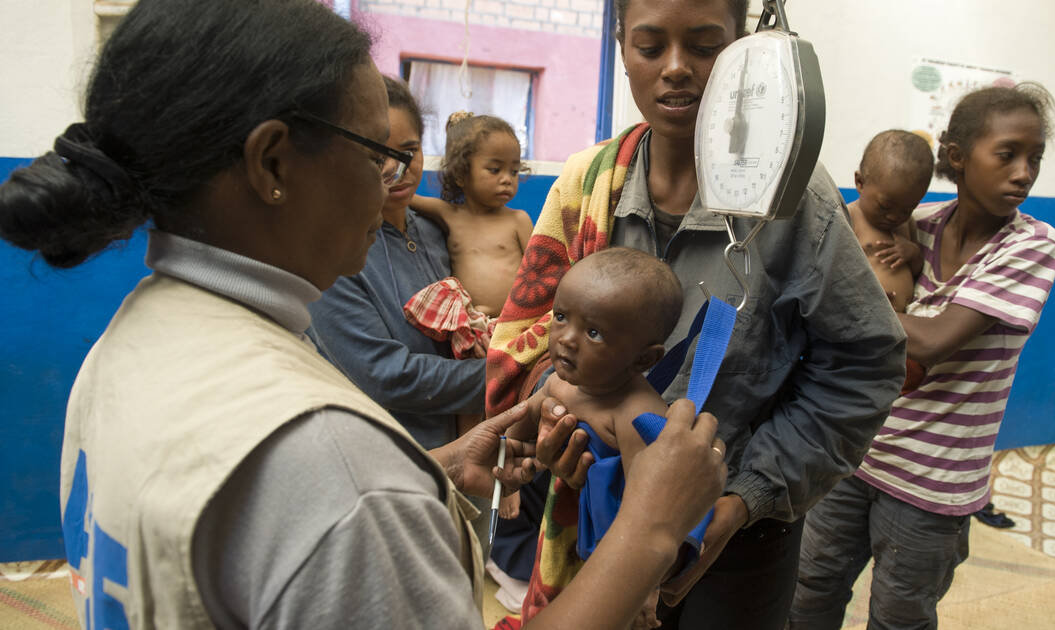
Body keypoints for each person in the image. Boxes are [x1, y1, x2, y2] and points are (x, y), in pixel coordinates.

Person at [0, 1, 727, 628]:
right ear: (274, 164)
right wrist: (650, 529)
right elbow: (327, 499)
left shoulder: (131, 342)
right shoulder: (336, 474)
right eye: (376, 148)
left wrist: (424, 473)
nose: (396, 178)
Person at [487, 0, 908, 628]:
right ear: (622, 44)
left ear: (741, 47)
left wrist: (742, 499)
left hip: (737, 547)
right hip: (598, 527)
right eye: (651, 46)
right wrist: (561, 431)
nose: (677, 68)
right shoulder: (584, 185)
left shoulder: (792, 196)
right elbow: (522, 346)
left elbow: (861, 367)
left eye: (706, 46)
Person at [790, 82, 1055, 630]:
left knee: (898, 615)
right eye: (1007, 154)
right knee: (809, 594)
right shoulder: (914, 225)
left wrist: (832, 299)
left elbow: (937, 340)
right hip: (854, 453)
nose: (1024, 173)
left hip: (931, 484)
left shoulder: (1032, 245)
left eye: (1034, 158)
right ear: (957, 158)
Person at [506, 247, 685, 628]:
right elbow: (524, 419)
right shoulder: (559, 382)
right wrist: (509, 470)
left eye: (593, 332)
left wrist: (644, 590)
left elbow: (651, 509)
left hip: (613, 549)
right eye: (560, 317)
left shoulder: (639, 415)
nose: (566, 339)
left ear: (644, 360)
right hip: (561, 531)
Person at [307, 76, 483, 452]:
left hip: (467, 450)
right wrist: (504, 374)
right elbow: (386, 376)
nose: (397, 168)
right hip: (389, 459)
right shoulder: (333, 254)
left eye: (410, 149)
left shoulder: (437, 234)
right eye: (377, 155)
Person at [405, 112, 533, 356]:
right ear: (461, 175)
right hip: (472, 329)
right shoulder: (449, 215)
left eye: (514, 171)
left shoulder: (518, 220)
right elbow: (405, 198)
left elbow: (540, 274)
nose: (507, 179)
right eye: (495, 169)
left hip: (516, 325)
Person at [848, 129, 935, 312]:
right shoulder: (849, 218)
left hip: (902, 320)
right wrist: (860, 295)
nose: (895, 217)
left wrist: (913, 254)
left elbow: (917, 271)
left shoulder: (907, 223)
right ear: (860, 182)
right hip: (861, 314)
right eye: (885, 206)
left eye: (907, 209)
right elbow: (833, 269)